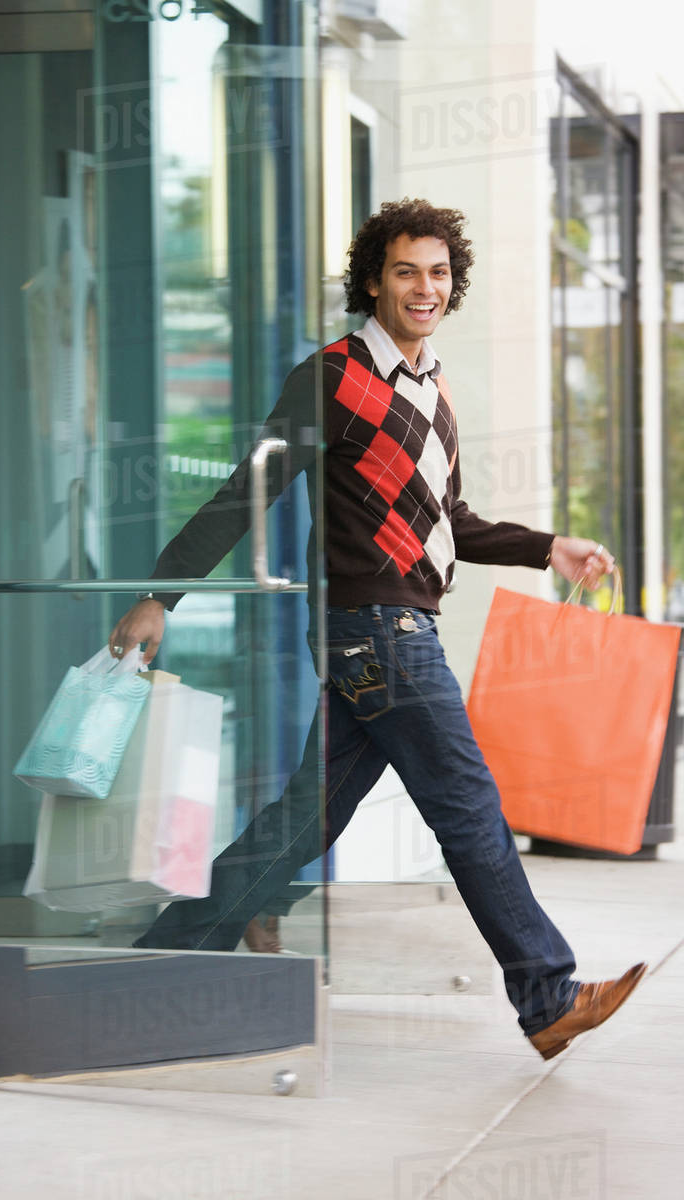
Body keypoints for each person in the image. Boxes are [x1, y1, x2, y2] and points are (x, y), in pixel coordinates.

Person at [109, 199, 646, 1060]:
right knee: (468, 806)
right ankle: (546, 995)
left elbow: (450, 520)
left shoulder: (431, 389)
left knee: (303, 821)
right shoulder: (329, 377)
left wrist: (551, 548)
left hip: (395, 628)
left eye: (437, 273)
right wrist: (158, 597)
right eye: (405, 272)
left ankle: (153, 965)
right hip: (377, 630)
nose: (423, 287)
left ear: (452, 284)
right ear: (374, 280)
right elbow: (245, 494)